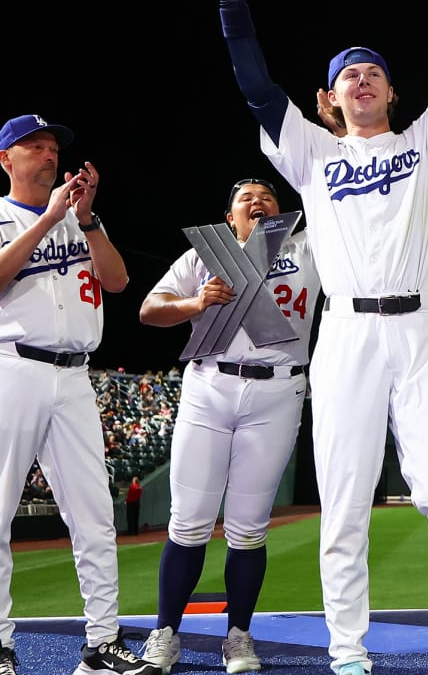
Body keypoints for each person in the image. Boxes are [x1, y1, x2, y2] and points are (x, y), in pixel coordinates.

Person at [210, 0, 428, 675]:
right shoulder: (312, 150)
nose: (362, 80)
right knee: (342, 505)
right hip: (343, 337)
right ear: (329, 98)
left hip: (418, 331)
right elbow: (253, 85)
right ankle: (348, 652)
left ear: (392, 90)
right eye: (348, 76)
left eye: (373, 72)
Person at [0, 113, 158, 675]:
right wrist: (49, 220)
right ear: (5, 159)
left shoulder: (79, 222)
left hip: (74, 376)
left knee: (95, 516)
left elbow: (117, 281)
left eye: (52, 146)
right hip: (6, 368)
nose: (48, 154)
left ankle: (103, 641)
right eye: (33, 146)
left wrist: (85, 221)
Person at [137, 177, 320, 674]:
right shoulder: (206, 255)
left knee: (247, 528)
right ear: (229, 216)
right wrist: (195, 303)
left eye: (267, 196)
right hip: (209, 385)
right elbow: (149, 309)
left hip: (279, 389)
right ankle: (165, 634)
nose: (257, 201)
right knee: (189, 520)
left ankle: (238, 636)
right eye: (246, 198)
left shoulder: (308, 245)